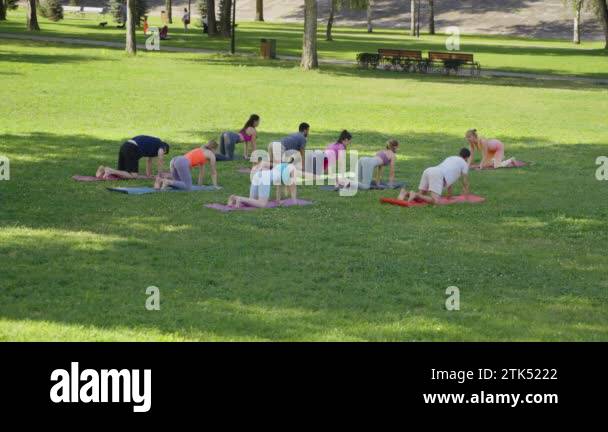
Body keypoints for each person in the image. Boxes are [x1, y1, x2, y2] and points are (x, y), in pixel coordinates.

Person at [397, 148, 471, 204]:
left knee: (422, 195)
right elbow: (465, 181)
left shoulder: (451, 158)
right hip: (438, 174)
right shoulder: (464, 164)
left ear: (459, 154)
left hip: (429, 170)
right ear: (467, 158)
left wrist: (449, 196)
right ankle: (415, 195)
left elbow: (450, 181)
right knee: (435, 201)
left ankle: (406, 193)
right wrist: (467, 197)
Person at [227, 157, 297, 208]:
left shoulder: (280, 166)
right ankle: (240, 199)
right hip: (264, 177)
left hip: (257, 175)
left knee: (251, 202)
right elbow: (293, 186)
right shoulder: (291, 167)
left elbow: (278, 187)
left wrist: (278, 201)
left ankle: (234, 198)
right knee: (262, 204)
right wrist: (294, 202)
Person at [96, 135, 170, 179]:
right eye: (164, 152)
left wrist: (149, 175)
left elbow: (149, 161)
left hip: (124, 146)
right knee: (133, 176)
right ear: (165, 149)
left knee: (122, 174)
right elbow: (160, 158)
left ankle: (103, 169)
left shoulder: (154, 144)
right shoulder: (161, 145)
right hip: (132, 148)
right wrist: (160, 175)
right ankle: (109, 170)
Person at [155, 141, 220, 191]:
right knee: (188, 186)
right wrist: (215, 186)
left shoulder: (201, 150)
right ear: (214, 149)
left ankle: (161, 181)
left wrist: (200, 185)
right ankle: (167, 182)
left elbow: (201, 172)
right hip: (181, 162)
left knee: (179, 184)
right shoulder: (211, 154)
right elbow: (213, 172)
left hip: (174, 160)